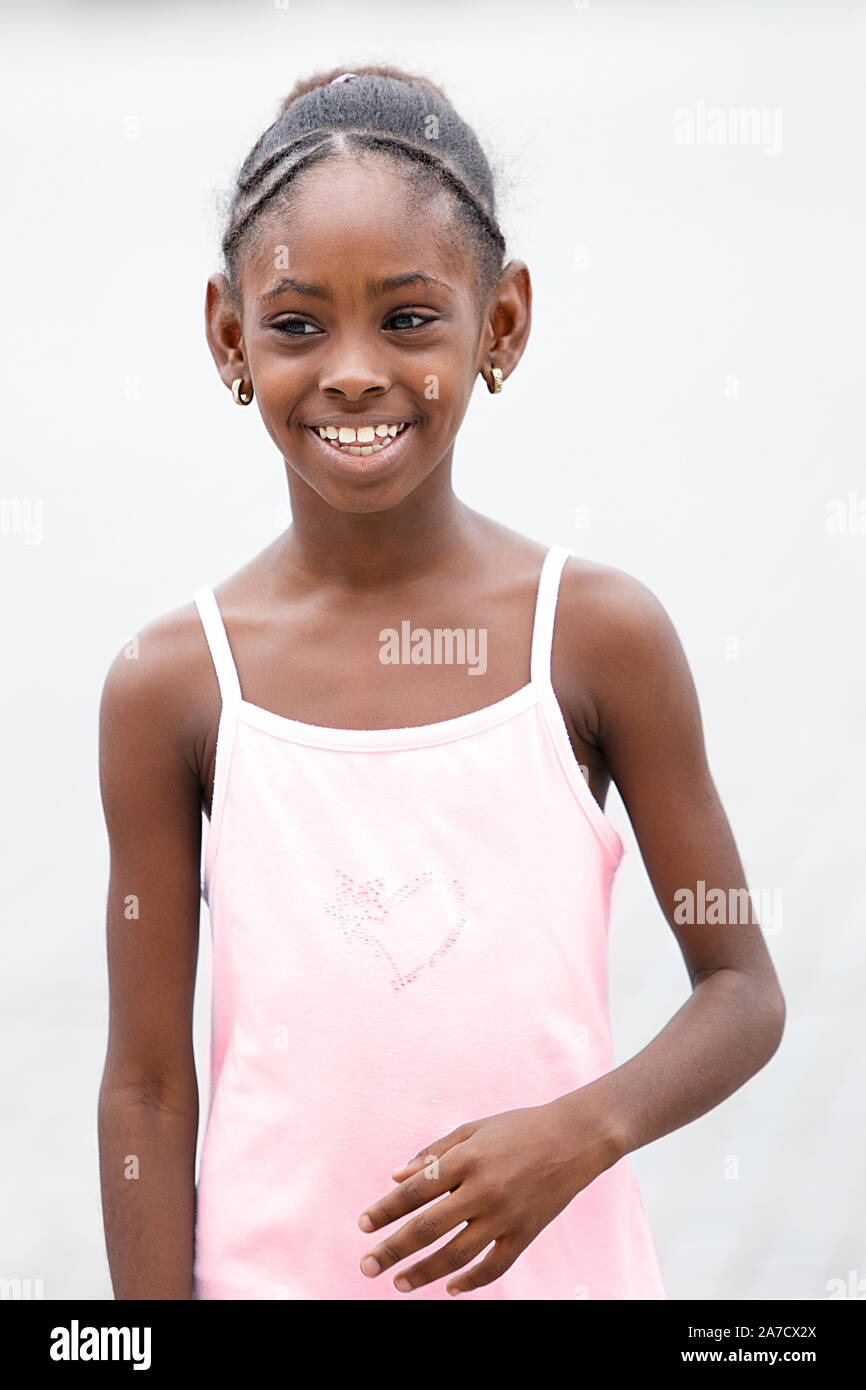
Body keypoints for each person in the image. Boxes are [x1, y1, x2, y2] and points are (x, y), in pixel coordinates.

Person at [97, 64, 785, 1300]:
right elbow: (146, 1086)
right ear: (227, 335)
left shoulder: (594, 638)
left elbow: (739, 991)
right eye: (298, 323)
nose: (353, 371)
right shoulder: (172, 684)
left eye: (409, 318)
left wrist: (580, 1130)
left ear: (500, 322)